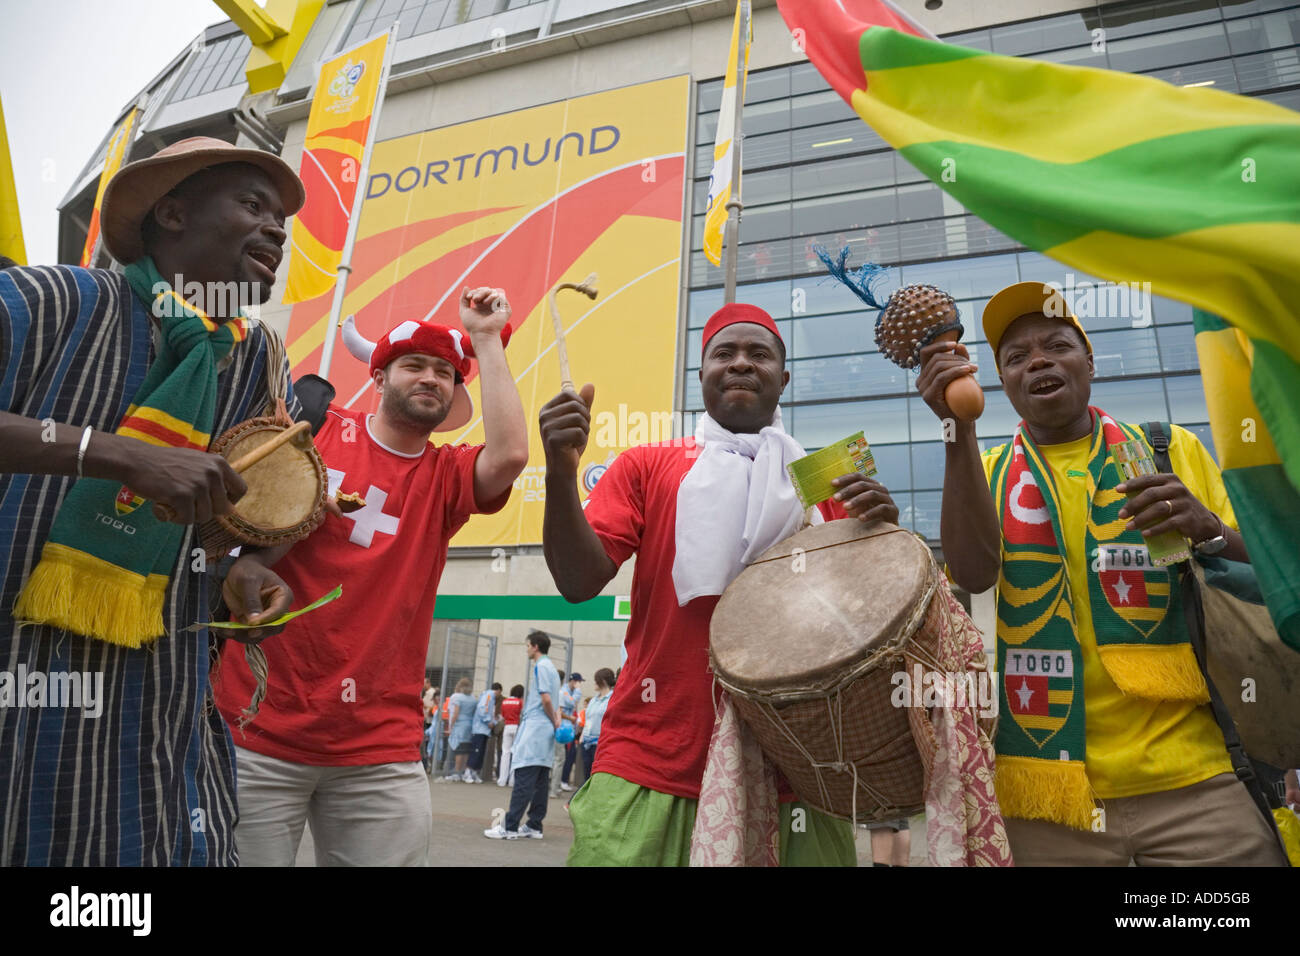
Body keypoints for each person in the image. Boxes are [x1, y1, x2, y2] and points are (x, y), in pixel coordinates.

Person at [0, 136, 307, 865]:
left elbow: (267, 505)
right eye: (253, 206)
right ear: (172, 213)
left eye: (282, 219)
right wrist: (118, 453)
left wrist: (249, 565)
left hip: (157, 705)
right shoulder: (54, 298)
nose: (277, 229)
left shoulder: (259, 359)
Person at [918, 280, 1286, 866]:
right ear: (1002, 383)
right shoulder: (982, 471)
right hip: (1048, 799)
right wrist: (955, 429)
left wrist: (1207, 526)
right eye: (1015, 358)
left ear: (1089, 361)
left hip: (1198, 782)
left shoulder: (1170, 450)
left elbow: (1275, 572)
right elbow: (972, 573)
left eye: (1057, 345)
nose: (1037, 360)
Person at [540, 302, 897, 866]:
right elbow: (578, 581)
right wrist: (560, 475)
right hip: (652, 760)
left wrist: (888, 538)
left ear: (785, 377)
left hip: (801, 769)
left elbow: (876, 621)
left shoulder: (832, 473)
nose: (740, 363)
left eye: (760, 354)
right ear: (700, 373)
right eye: (723, 353)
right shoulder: (645, 464)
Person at [212, 285, 528, 866]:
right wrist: (249, 564)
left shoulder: (447, 475)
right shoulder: (313, 429)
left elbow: (508, 457)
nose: (430, 378)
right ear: (380, 377)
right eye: (413, 365)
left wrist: (485, 338)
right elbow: (238, 521)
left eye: (444, 372)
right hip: (256, 726)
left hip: (378, 746)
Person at [484, 632, 560, 839]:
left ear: (535, 646)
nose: (526, 649)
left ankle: (509, 826)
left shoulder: (541, 667)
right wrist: (555, 722)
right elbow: (553, 699)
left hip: (536, 727)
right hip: (545, 732)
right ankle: (535, 825)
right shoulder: (552, 668)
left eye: (527, 645)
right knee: (541, 780)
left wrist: (553, 719)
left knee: (524, 777)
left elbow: (545, 699)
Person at [579, 669, 615, 787]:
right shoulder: (594, 700)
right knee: (586, 775)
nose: (594, 683)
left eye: (596, 681)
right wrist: (582, 736)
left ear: (602, 681)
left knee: (596, 776)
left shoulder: (612, 698)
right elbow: (588, 719)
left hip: (600, 743)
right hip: (586, 742)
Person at [445, 678, 479, 782]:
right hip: (469, 725)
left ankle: (456, 772)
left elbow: (455, 713)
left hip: (459, 726)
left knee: (458, 750)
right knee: (466, 750)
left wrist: (450, 726)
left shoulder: (456, 697)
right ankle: (463, 771)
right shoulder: (473, 698)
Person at [469, 682, 502, 783]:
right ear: (498, 690)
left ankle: (474, 773)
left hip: (484, 730)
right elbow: (482, 708)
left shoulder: (489, 697)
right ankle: (468, 772)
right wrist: (488, 721)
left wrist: (494, 720)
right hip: (480, 728)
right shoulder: (489, 696)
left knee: (480, 752)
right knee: (476, 751)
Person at [558, 672, 584, 792]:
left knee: (568, 756)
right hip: (564, 728)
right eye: (579, 682)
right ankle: (562, 781)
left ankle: (562, 781)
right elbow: (572, 703)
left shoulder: (569, 692)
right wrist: (578, 691)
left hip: (568, 728)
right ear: (574, 681)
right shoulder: (564, 692)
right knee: (565, 757)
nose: (580, 685)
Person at [496, 684, 524, 787]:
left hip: (507, 727)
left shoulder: (505, 701)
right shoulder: (520, 702)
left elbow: (502, 716)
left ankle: (502, 780)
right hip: (517, 727)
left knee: (505, 753)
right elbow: (522, 714)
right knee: (515, 754)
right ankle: (512, 780)